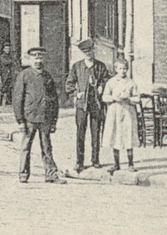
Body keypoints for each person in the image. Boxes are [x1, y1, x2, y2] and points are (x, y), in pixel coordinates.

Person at [13, 46, 63, 183]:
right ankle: (23, 174)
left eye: (40, 57)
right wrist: (20, 121)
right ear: (30, 59)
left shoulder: (47, 76)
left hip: (45, 117)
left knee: (47, 147)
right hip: (29, 117)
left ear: (44, 59)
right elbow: (18, 99)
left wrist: (54, 121)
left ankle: (51, 174)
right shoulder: (24, 75)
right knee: (26, 147)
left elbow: (54, 100)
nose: (37, 60)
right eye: (35, 57)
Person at [67, 38, 111, 172]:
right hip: (82, 105)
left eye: (90, 51)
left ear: (93, 51)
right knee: (80, 133)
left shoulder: (100, 66)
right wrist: (75, 93)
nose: (88, 54)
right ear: (83, 53)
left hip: (96, 104)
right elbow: (69, 84)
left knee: (96, 132)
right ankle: (79, 162)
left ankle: (95, 160)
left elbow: (107, 80)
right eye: (85, 52)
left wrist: (102, 86)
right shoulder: (77, 66)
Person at [101, 56, 139, 173]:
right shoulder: (111, 82)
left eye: (124, 69)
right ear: (116, 69)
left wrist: (129, 99)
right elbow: (104, 97)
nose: (122, 71)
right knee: (115, 136)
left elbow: (137, 97)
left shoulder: (131, 82)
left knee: (128, 137)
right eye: (120, 68)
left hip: (127, 112)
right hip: (115, 112)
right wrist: (113, 98)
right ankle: (116, 163)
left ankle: (130, 163)